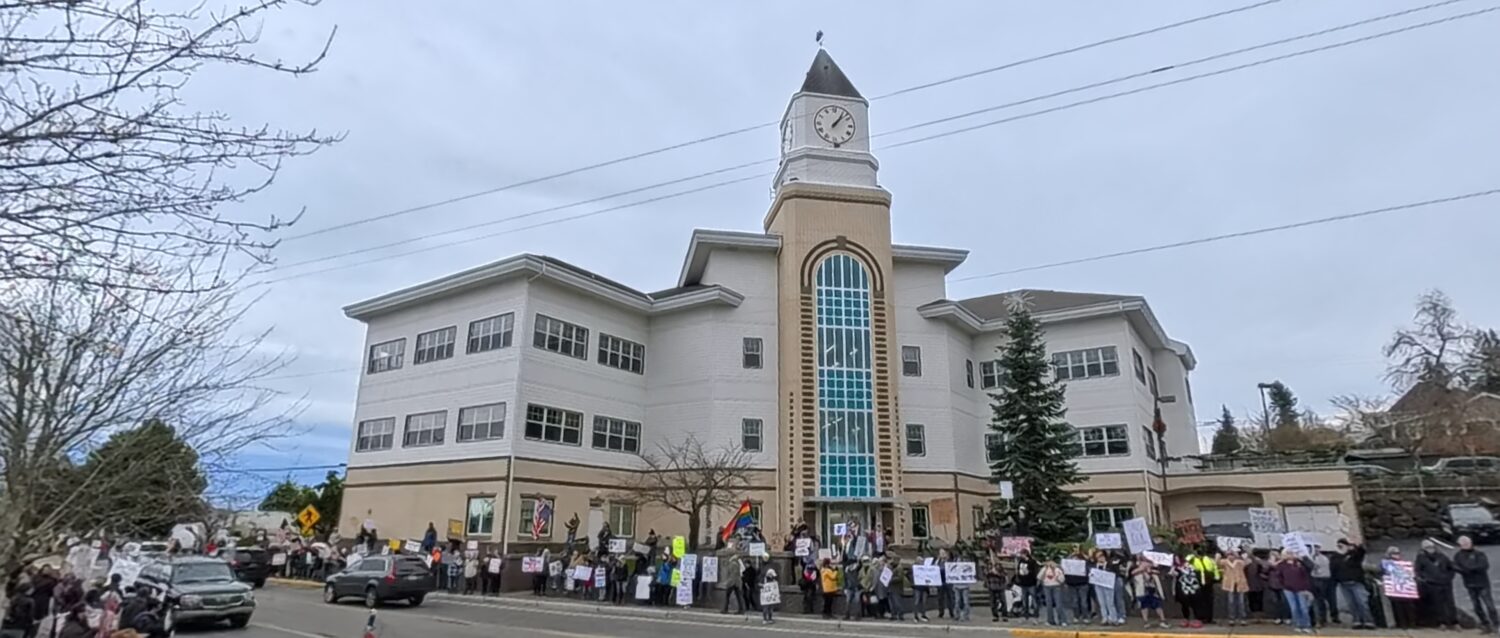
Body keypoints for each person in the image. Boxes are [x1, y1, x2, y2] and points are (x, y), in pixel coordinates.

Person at [1453, 535, 1499, 635]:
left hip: (1482, 583)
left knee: (1490, 605)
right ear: (1460, 545)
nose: (1466, 545)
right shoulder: (1458, 556)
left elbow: (1483, 566)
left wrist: (1468, 569)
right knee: (1476, 607)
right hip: (1470, 584)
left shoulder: (1479, 554)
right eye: (1463, 543)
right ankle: (1485, 625)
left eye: (1467, 543)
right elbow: (1456, 567)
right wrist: (1467, 569)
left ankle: (1496, 625)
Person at [1415, 539, 1459, 630]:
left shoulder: (1442, 556)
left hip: (1446, 583)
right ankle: (1441, 622)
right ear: (1423, 549)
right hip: (1432, 584)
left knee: (1450, 603)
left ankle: (1454, 622)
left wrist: (1449, 577)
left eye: (1431, 547)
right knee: (1438, 604)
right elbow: (1418, 571)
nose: (1430, 549)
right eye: (1427, 547)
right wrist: (1426, 579)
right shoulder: (1421, 558)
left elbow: (1451, 567)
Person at [1332, 539, 1374, 629]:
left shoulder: (1353, 555)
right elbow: (1333, 569)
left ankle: (1368, 621)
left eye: (1343, 545)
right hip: (1344, 584)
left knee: (1362, 602)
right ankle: (1356, 620)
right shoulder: (1335, 557)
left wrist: (1358, 545)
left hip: (1356, 583)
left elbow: (1361, 552)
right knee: (1351, 604)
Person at [1274, 550, 1315, 634]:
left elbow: (1309, 569)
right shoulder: (1281, 565)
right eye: (1288, 553)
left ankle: (1306, 625)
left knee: (1303, 607)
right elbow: (1279, 576)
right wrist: (1284, 585)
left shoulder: (1299, 563)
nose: (1290, 555)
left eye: (1292, 553)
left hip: (1301, 588)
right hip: (1288, 589)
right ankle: (1297, 625)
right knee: (1294, 608)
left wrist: (1303, 559)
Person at [1381, 547, 1418, 630]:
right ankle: (1403, 624)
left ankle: (1412, 623)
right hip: (1395, 589)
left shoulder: (1404, 563)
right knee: (1399, 607)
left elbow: (1410, 573)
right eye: (1394, 554)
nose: (1396, 555)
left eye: (1397, 553)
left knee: (1409, 606)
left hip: (1406, 588)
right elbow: (1386, 571)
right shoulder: (1387, 563)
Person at [1186, 545, 1220, 625]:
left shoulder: (1204, 559)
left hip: (1204, 582)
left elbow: (1214, 568)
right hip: (1201, 583)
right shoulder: (1194, 559)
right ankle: (1203, 618)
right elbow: (1186, 562)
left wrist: (1216, 578)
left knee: (1205, 601)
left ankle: (1206, 618)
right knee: (1202, 601)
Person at [1133, 554, 1169, 628]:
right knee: (1144, 606)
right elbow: (1132, 574)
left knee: (1158, 605)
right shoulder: (1137, 570)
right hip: (1143, 590)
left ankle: (1163, 620)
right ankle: (1146, 622)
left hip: (1153, 590)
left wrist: (1150, 570)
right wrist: (1141, 569)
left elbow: (1159, 575)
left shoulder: (1153, 570)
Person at [1309, 544, 1338, 627]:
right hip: (1316, 579)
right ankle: (1320, 619)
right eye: (1314, 548)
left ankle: (1328, 617)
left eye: (1317, 548)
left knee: (1328, 600)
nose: (1316, 550)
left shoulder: (1324, 558)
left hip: (1325, 579)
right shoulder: (1311, 557)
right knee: (1318, 600)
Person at [1219, 549, 1250, 626]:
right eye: (1229, 555)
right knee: (1231, 602)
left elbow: (1248, 562)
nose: (1231, 556)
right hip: (1230, 584)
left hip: (1240, 584)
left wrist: (1241, 556)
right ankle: (1231, 619)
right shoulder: (1225, 562)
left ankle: (1243, 618)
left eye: (1232, 555)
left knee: (1241, 602)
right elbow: (1217, 562)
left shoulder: (1239, 562)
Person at [1091, 549, 1121, 626]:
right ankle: (1105, 618)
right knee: (1102, 602)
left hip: (1108, 585)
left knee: (1110, 602)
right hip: (1098, 585)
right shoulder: (1095, 565)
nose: (1100, 558)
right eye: (1098, 557)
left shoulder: (1110, 564)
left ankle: (1113, 618)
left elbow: (1116, 573)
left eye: (1101, 556)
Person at [1062, 548, 1090, 624]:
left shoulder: (1084, 562)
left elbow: (1088, 560)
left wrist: (1080, 553)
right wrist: (1072, 554)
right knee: (1075, 602)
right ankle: (1076, 616)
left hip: (1083, 584)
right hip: (1072, 584)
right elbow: (1065, 563)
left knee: (1083, 602)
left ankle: (1085, 617)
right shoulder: (1069, 563)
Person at [1014, 549, 1040, 624]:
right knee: (1024, 601)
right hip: (1023, 583)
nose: (1021, 555)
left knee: (1034, 601)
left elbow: (1035, 572)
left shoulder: (1032, 561)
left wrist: (1030, 574)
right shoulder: (1020, 561)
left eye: (1022, 554)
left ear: (1025, 554)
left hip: (1031, 583)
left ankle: (1036, 617)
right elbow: (1019, 570)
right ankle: (1025, 616)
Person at [1040, 558, 1068, 626]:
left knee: (1058, 604)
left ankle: (1062, 620)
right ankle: (1050, 620)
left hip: (1056, 586)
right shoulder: (1044, 569)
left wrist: (1054, 571)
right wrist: (1045, 570)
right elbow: (1040, 577)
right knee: (1049, 604)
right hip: (1047, 586)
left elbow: (1062, 579)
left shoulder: (1058, 569)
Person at [986, 554, 1009, 623]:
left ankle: (1004, 616)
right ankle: (995, 616)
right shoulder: (989, 568)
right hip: (992, 587)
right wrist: (990, 572)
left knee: (1003, 602)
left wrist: (997, 573)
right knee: (993, 603)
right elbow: (986, 575)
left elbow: (1004, 575)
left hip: (1000, 587)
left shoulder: (1001, 569)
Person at [886, 556, 908, 621]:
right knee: (891, 603)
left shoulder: (899, 568)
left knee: (898, 602)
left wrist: (891, 579)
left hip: (897, 588)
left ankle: (900, 615)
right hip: (890, 588)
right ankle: (893, 615)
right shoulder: (890, 567)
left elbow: (900, 578)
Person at [950, 557, 972, 622]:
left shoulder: (967, 568)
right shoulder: (954, 568)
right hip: (957, 586)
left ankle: (966, 616)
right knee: (957, 601)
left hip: (965, 586)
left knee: (965, 602)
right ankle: (957, 615)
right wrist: (953, 585)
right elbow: (951, 576)